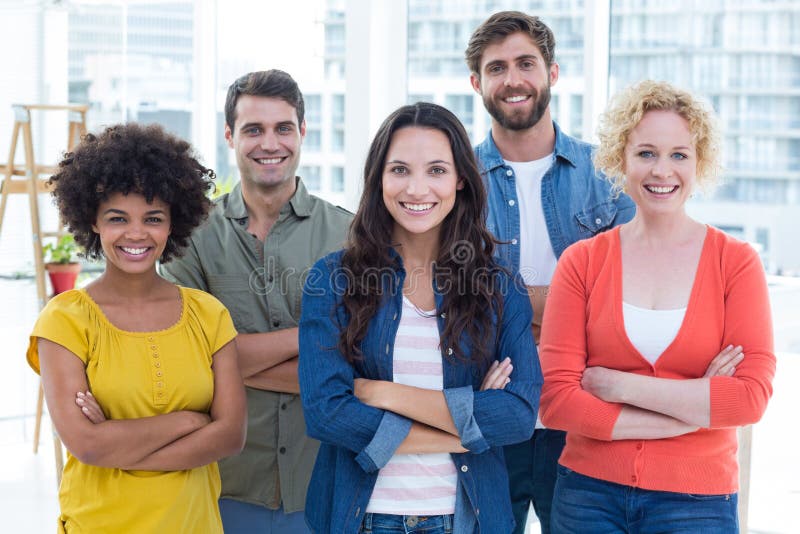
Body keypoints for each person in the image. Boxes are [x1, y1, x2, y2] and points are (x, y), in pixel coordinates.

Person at [539, 80, 776, 533]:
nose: (661, 171)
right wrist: (691, 411)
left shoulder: (736, 263)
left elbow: (749, 397)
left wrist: (617, 385)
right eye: (646, 153)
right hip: (588, 496)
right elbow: (557, 402)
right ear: (620, 161)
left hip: (697, 503)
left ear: (698, 162)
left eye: (678, 155)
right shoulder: (583, 262)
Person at [298, 102, 541, 534]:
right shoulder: (333, 279)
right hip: (364, 519)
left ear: (460, 179)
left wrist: (382, 393)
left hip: (467, 520)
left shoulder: (499, 286)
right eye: (399, 170)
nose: (416, 188)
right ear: (379, 179)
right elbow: (326, 413)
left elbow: (518, 415)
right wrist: (465, 428)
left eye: (435, 170)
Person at [27, 123, 247, 533]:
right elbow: (87, 445)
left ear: (172, 224)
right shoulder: (65, 320)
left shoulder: (208, 314)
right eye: (117, 218)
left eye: (153, 218)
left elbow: (231, 436)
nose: (136, 233)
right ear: (93, 221)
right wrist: (189, 422)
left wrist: (117, 441)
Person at [465, 11, 636, 533]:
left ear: (552, 73)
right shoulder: (457, 183)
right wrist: (569, 306)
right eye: (497, 68)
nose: (512, 80)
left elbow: (629, 297)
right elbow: (459, 301)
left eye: (525, 64)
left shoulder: (606, 176)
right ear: (477, 83)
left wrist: (517, 309)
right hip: (493, 415)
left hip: (582, 417)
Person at [161, 69, 352, 533]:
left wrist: (228, 359)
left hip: (323, 486)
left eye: (283, 128)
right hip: (222, 485)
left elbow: (354, 365)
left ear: (302, 132)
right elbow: (188, 359)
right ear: (230, 135)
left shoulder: (349, 236)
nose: (271, 143)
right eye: (253, 129)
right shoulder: (191, 238)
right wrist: (313, 336)